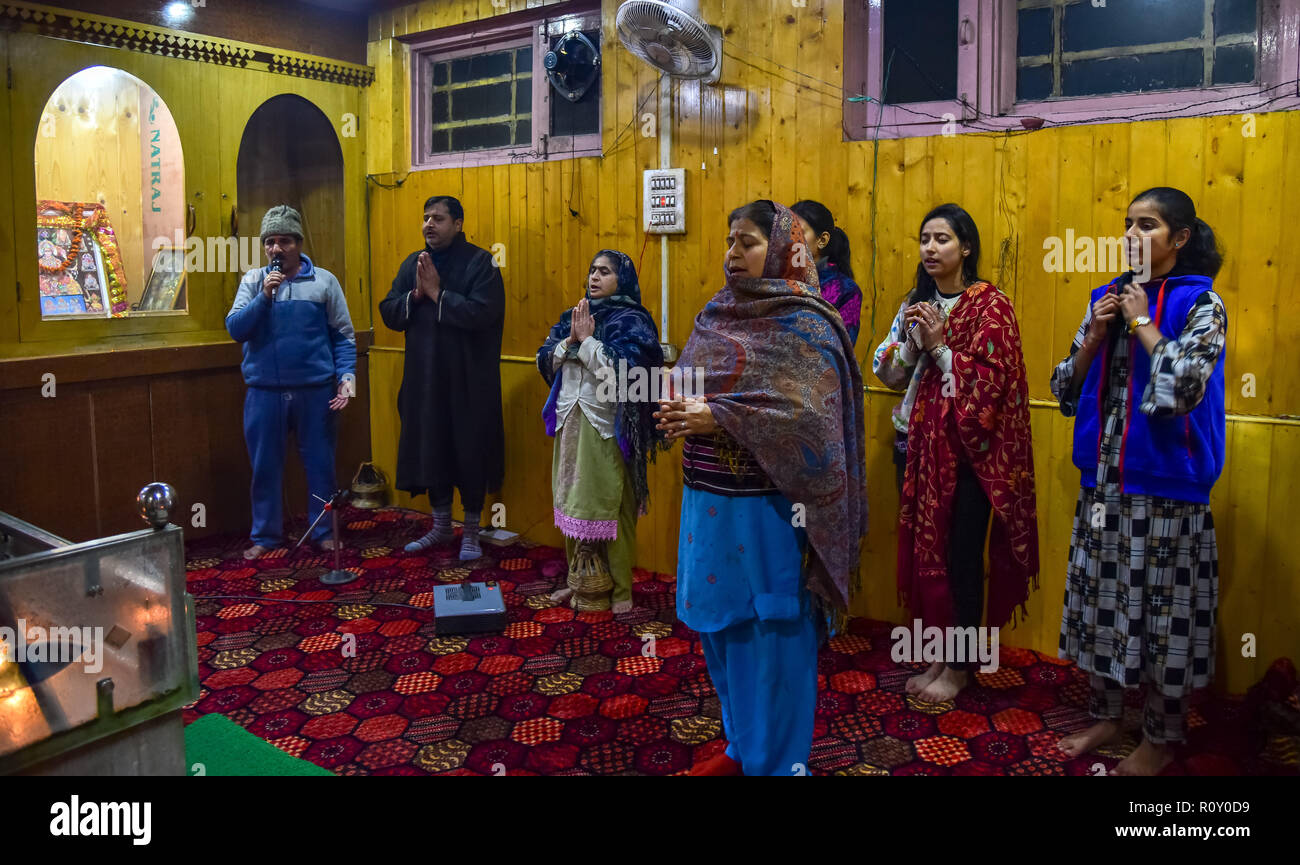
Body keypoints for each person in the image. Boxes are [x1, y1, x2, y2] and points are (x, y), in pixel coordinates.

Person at [654, 200, 867, 776]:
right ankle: (741, 748)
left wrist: (718, 416)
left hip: (773, 516)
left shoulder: (807, 323)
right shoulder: (716, 313)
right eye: (729, 240)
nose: (732, 253)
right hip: (708, 504)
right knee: (720, 630)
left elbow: (814, 422)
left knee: (770, 641)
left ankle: (777, 764)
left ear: (782, 250)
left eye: (746, 241)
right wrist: (677, 405)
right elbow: (693, 383)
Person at [1053, 187, 1227, 775]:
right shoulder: (1106, 298)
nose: (1132, 236)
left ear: (1179, 238)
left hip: (1168, 485)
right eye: (1127, 224)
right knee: (1105, 603)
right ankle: (1110, 713)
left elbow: (1182, 385)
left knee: (1163, 614)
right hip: (1104, 480)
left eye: (1148, 225)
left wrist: (1142, 322)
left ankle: (1160, 735)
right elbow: (1062, 387)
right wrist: (1098, 335)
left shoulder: (1203, 304)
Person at [890, 204, 1039, 703]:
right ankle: (937, 653)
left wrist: (939, 347)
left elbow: (991, 386)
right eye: (924, 238)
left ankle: (960, 667)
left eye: (942, 239)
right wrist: (914, 344)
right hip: (921, 449)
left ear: (966, 248)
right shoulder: (916, 302)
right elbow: (887, 375)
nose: (930, 248)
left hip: (973, 458)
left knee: (962, 560)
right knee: (927, 552)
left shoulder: (990, 305)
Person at [537, 250, 666, 614]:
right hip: (570, 422)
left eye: (605, 272)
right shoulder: (573, 317)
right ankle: (577, 579)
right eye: (592, 270)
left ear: (621, 280)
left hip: (610, 426)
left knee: (612, 505)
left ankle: (621, 590)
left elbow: (632, 376)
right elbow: (544, 358)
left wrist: (589, 343)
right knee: (570, 499)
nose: (594, 277)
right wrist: (569, 342)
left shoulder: (633, 321)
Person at [225, 205, 356, 560]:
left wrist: (347, 380)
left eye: (284, 241)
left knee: (321, 466)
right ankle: (266, 536)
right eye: (270, 242)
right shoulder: (253, 281)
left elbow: (343, 336)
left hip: (316, 390)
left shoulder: (324, 281)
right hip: (264, 392)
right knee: (265, 466)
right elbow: (236, 328)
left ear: (298, 243)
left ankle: (324, 532)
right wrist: (264, 298)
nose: (276, 249)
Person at [379, 196, 506, 562]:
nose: (429, 225)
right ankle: (439, 526)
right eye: (425, 218)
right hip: (425, 380)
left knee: (468, 451)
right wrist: (415, 295)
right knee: (431, 447)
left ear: (459, 223)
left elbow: (484, 314)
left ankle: (469, 532)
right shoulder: (414, 263)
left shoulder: (481, 263)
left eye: (438, 218)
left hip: (469, 381)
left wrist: (438, 295)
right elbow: (389, 310)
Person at [791, 200, 863, 345]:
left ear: (822, 240)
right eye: (785, 233)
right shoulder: (775, 279)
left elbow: (843, 348)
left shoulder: (847, 290)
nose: (789, 240)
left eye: (798, 233)